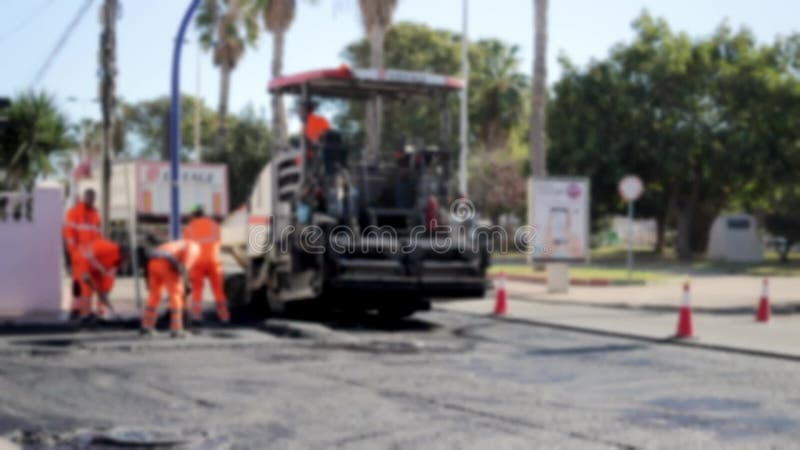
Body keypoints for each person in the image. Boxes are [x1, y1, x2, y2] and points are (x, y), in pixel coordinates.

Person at [140, 240, 200, 338]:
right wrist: (187, 285)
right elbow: (184, 267)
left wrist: (147, 281)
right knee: (176, 295)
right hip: (166, 264)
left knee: (154, 294)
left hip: (152, 263)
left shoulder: (176, 244)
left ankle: (146, 327)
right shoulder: (194, 248)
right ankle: (176, 329)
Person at [183, 205, 230, 324]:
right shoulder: (215, 226)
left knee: (197, 289)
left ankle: (197, 315)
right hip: (213, 261)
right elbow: (219, 242)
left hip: (197, 262)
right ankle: (224, 316)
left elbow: (187, 247)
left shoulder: (189, 228)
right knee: (218, 290)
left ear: (193, 215)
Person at [63, 188, 103, 319]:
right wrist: (74, 253)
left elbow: (98, 235)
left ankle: (84, 311)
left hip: (91, 256)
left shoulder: (96, 214)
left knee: (88, 284)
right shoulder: (74, 213)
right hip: (79, 255)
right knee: (78, 283)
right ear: (84, 198)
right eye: (89, 197)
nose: (91, 200)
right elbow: (69, 235)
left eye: (93, 198)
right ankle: (77, 310)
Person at [76, 238, 123, 320]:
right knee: (86, 291)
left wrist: (106, 291)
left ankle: (100, 313)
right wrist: (85, 272)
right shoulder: (104, 249)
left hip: (96, 266)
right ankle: (85, 314)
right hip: (86, 264)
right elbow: (85, 256)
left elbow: (109, 276)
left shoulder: (114, 261)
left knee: (101, 292)